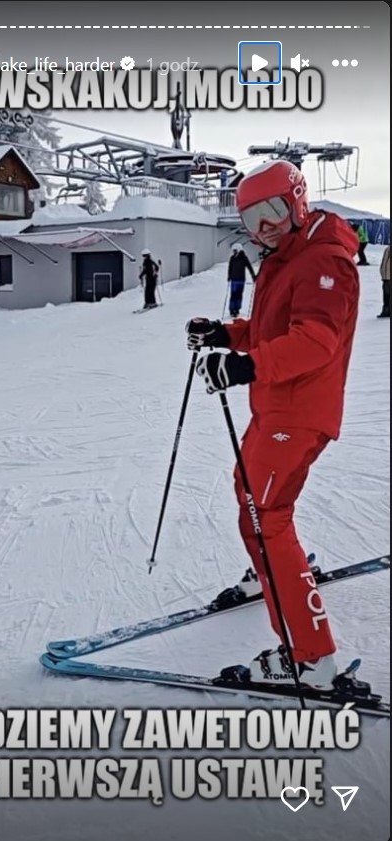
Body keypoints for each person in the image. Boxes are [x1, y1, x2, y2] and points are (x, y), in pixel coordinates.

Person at [186, 159, 360, 692]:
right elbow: (272, 328)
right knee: (252, 497)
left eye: (272, 212)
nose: (263, 228)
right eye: (251, 219)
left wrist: (246, 367)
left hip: (297, 414)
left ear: (297, 201)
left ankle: (312, 659)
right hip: (278, 407)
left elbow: (315, 341)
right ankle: (271, 572)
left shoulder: (322, 261)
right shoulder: (288, 255)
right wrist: (227, 335)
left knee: (266, 516)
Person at [227, 244, 256, 318]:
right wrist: (229, 275)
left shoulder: (244, 258)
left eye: (235, 250)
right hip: (234, 279)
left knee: (239, 295)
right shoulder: (232, 258)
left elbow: (249, 266)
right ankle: (232, 309)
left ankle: (237, 309)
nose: (234, 252)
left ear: (239, 250)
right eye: (233, 251)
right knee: (233, 295)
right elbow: (230, 267)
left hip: (241, 279)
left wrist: (253, 275)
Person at [377, 244, 390, 318]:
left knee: (387, 294)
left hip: (388, 277)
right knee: (386, 294)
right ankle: (387, 310)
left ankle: (387, 311)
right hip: (385, 276)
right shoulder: (387, 249)